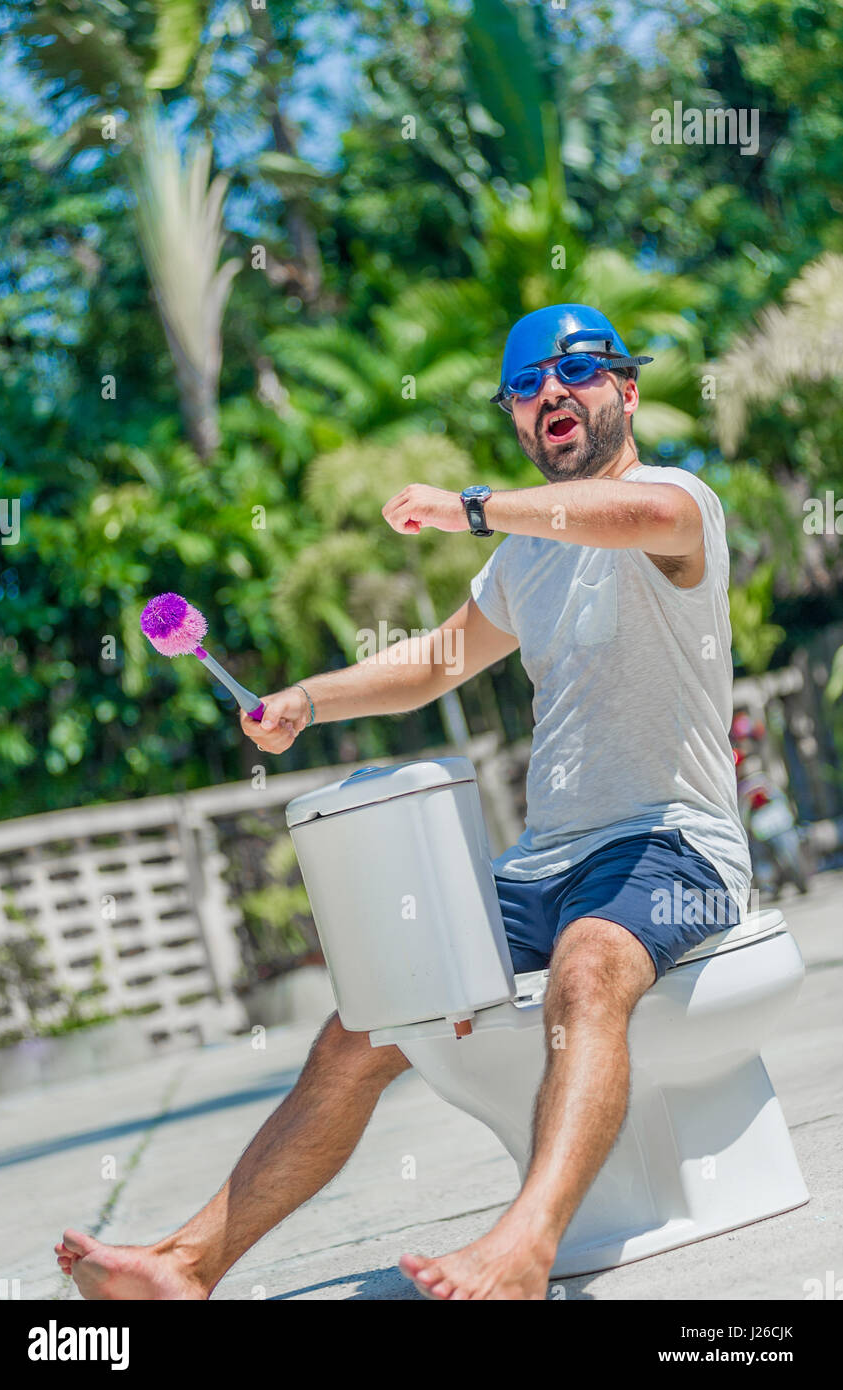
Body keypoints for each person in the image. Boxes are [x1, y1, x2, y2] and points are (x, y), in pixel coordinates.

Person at [56, 303, 750, 1301]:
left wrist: (470, 507)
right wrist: (305, 700)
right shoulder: (523, 561)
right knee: (368, 1011)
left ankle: (524, 1249)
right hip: (547, 865)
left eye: (577, 371)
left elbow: (633, 521)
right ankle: (186, 1264)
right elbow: (433, 662)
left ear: (626, 390)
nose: (549, 393)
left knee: (589, 964)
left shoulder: (676, 500)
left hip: (677, 849)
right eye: (525, 385)